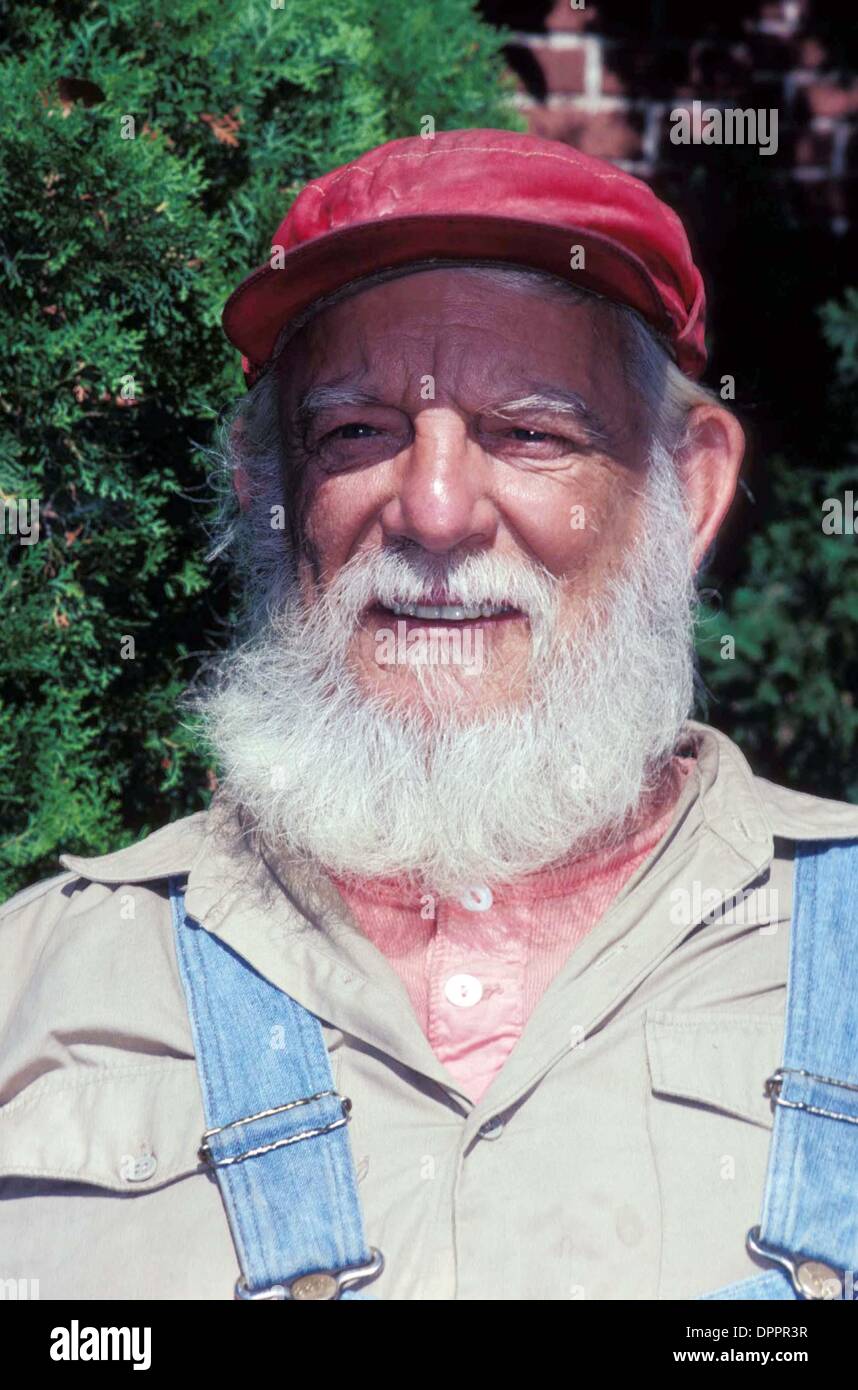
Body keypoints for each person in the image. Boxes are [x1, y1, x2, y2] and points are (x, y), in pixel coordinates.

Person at [1, 129, 856, 1302]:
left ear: (688, 489)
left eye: (532, 433)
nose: (437, 509)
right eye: (357, 433)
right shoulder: (38, 982)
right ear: (272, 493)